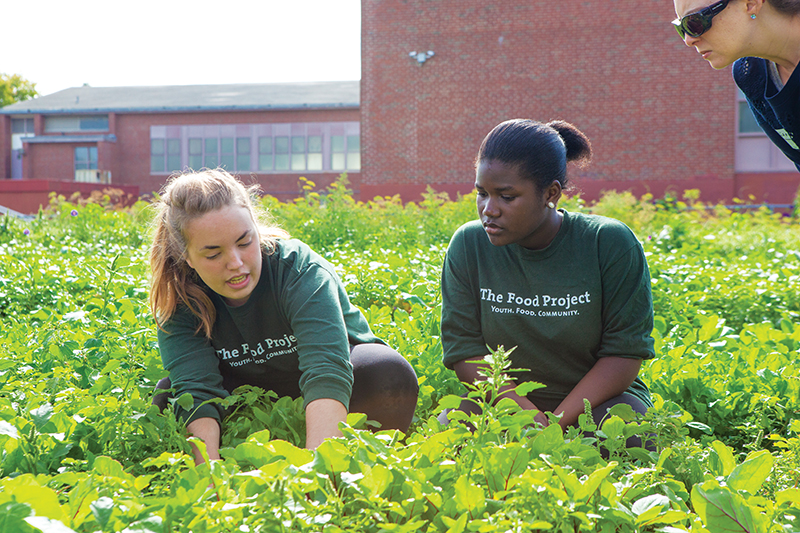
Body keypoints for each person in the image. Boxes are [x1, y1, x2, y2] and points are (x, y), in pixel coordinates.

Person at [149, 169, 418, 463]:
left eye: (244, 242)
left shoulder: (298, 270)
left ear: (255, 227)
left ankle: (357, 459)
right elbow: (196, 390)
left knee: (388, 373)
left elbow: (326, 369)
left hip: (334, 376)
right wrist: (208, 479)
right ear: (186, 256)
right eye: (213, 255)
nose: (236, 263)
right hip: (247, 388)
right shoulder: (181, 295)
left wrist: (317, 472)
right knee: (171, 397)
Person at [439, 119, 655, 445]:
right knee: (450, 430)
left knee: (630, 436)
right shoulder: (469, 245)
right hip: (505, 404)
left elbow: (624, 355)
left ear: (551, 193)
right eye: (482, 193)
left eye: (506, 197)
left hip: (597, 405)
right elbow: (466, 351)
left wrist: (554, 424)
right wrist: (525, 417)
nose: (489, 210)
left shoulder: (607, 242)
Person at [672, 0, 800, 170]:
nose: (688, 40)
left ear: (751, 3)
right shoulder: (750, 74)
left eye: (695, 22)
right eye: (681, 28)